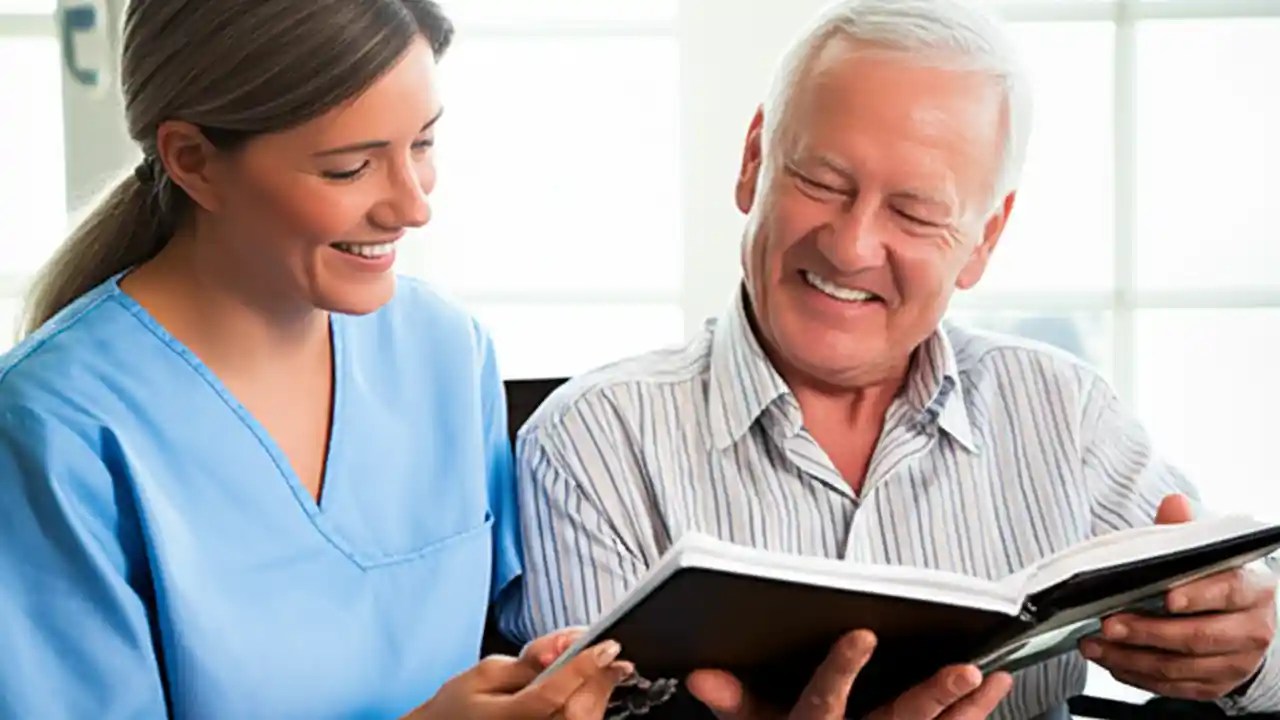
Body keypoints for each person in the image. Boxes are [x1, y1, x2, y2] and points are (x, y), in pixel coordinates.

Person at [497, 0, 1280, 718]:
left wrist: (1246, 651)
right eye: (821, 180)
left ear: (985, 238)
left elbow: (1248, 625)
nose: (851, 244)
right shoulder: (594, 442)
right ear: (752, 161)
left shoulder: (1063, 411)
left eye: (915, 212)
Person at [0, 1, 633, 717]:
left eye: (422, 144)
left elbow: (490, 637)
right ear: (193, 162)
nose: (412, 205)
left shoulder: (447, 355)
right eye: (348, 169)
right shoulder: (55, 429)